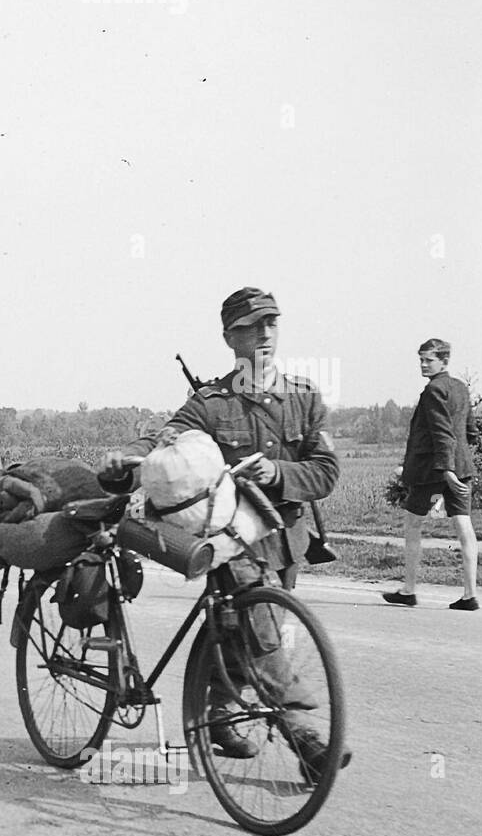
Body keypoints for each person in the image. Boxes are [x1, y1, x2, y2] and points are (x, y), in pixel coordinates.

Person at [103, 287, 348, 775]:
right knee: (260, 631)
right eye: (251, 327)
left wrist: (278, 474)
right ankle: (304, 736)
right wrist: (124, 460)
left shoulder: (304, 397)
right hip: (230, 540)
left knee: (251, 629)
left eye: (271, 324)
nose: (264, 334)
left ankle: (218, 715)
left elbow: (325, 471)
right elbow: (164, 439)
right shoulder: (210, 404)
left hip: (285, 539)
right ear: (228, 336)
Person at [383, 338, 479, 610]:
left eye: (429, 360)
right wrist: (457, 463)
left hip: (434, 472)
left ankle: (409, 590)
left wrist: (446, 469)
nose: (423, 365)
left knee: (413, 525)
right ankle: (470, 595)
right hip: (461, 468)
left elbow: (441, 432)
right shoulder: (460, 387)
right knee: (464, 527)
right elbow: (470, 432)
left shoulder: (433, 391)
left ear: (444, 361)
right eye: (421, 360)